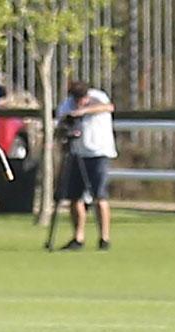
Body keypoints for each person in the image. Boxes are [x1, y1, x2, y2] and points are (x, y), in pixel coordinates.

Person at [56, 80, 117, 250]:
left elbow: (108, 107)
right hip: (77, 153)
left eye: (81, 99)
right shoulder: (66, 105)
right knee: (74, 197)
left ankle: (104, 238)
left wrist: (83, 111)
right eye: (76, 100)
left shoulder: (98, 97)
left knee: (100, 196)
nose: (78, 102)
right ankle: (78, 237)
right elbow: (60, 125)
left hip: (99, 153)